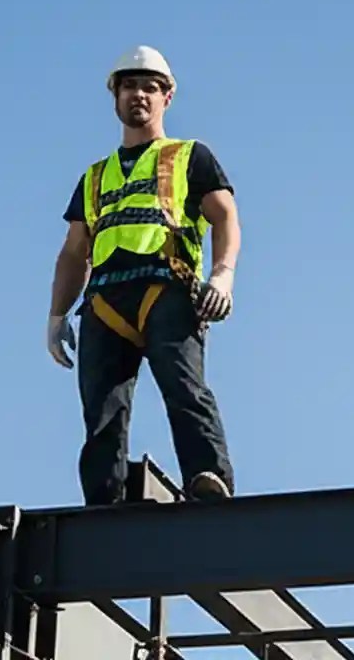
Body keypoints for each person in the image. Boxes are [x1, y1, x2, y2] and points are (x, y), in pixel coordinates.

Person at [46, 45, 240, 505]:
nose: (140, 95)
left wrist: (223, 275)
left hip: (166, 289)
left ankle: (208, 478)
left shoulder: (189, 156)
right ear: (114, 96)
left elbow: (225, 215)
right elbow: (75, 251)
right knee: (101, 414)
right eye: (130, 86)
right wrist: (56, 316)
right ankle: (103, 503)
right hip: (105, 303)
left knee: (184, 389)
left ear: (167, 97)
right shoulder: (95, 177)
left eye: (150, 87)